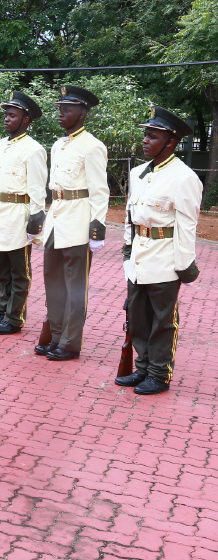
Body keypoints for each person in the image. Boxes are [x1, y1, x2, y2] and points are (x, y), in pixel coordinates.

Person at [117, 107, 201, 394]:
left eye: (152, 136)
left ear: (171, 142)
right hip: (140, 255)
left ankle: (159, 374)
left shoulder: (184, 178)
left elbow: (187, 227)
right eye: (145, 134)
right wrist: (128, 251)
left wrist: (183, 265)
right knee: (138, 317)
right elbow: (131, 215)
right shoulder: (138, 172)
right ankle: (142, 369)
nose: (145, 140)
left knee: (163, 321)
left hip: (165, 258)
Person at [38, 86, 108, 360]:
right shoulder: (59, 144)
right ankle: (56, 337)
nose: (61, 113)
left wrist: (97, 228)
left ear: (83, 112)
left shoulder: (92, 146)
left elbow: (100, 192)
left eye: (67, 109)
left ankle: (69, 343)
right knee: (53, 284)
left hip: (78, 222)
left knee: (75, 288)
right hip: (57, 218)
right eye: (60, 108)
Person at [0, 91, 48, 334]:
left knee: (19, 271)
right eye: (6, 115)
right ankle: (2, 313)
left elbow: (38, 190)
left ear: (26, 120)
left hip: (19, 214)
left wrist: (36, 220)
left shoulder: (33, 150)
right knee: (2, 269)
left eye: (13, 115)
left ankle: (15, 317)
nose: (7, 119)